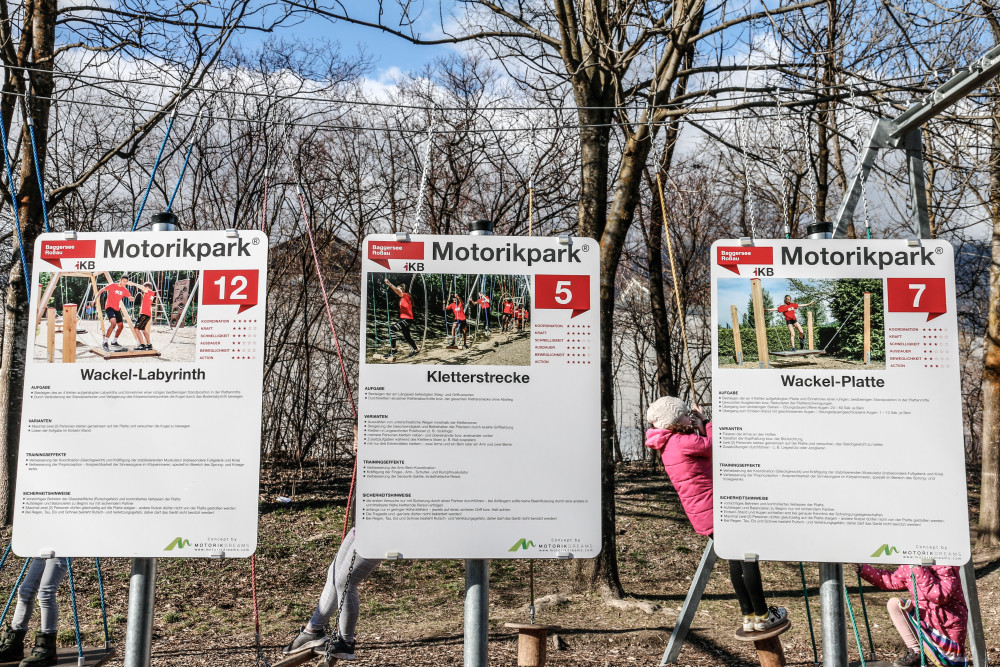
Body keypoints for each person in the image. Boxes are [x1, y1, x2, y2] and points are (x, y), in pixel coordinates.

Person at [645, 396, 787, 633]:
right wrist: (707, 422)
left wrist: (699, 428)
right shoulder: (681, 441)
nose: (689, 416)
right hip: (715, 510)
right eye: (684, 414)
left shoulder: (670, 443)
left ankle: (749, 616)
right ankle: (762, 616)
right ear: (672, 421)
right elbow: (717, 445)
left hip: (705, 514)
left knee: (735, 559)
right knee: (748, 557)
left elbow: (703, 449)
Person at [284, 424, 382, 662]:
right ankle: (312, 630)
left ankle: (345, 642)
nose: (355, 442)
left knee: (345, 580)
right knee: (334, 573)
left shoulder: (392, 449)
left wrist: (367, 447)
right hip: (364, 524)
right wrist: (363, 445)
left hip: (383, 524)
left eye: (358, 437)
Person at [854, 563, 968, 667]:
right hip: (924, 618)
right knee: (894, 604)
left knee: (949, 663)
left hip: (949, 623)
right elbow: (890, 580)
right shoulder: (908, 566)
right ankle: (916, 651)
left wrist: (917, 568)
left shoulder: (945, 565)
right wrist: (864, 569)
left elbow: (939, 596)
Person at [0, 558, 69, 666]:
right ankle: (13, 647)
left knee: (46, 592)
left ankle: (47, 649)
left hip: (61, 548)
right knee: (25, 591)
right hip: (43, 546)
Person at [93, 275, 134, 351]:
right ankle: (105, 342)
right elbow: (101, 290)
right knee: (113, 323)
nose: (124, 283)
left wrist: (131, 298)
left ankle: (114, 341)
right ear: (120, 280)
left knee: (121, 326)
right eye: (123, 281)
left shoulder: (125, 290)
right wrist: (95, 299)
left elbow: (129, 297)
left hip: (116, 309)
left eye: (126, 282)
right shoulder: (113, 286)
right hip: (109, 307)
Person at [384, 279, 419, 358]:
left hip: (407, 319)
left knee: (392, 329)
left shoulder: (405, 295)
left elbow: (397, 291)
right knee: (407, 337)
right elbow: (397, 291)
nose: (397, 290)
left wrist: (389, 283)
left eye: (399, 289)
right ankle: (416, 350)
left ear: (402, 290)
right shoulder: (403, 298)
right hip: (405, 319)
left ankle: (394, 349)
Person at [132, 282, 158, 351]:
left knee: (136, 329)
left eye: (144, 288)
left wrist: (133, 284)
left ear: (147, 288)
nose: (143, 290)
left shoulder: (149, 292)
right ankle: (149, 345)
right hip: (147, 314)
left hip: (144, 314)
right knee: (143, 330)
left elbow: (143, 288)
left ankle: (142, 345)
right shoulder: (150, 294)